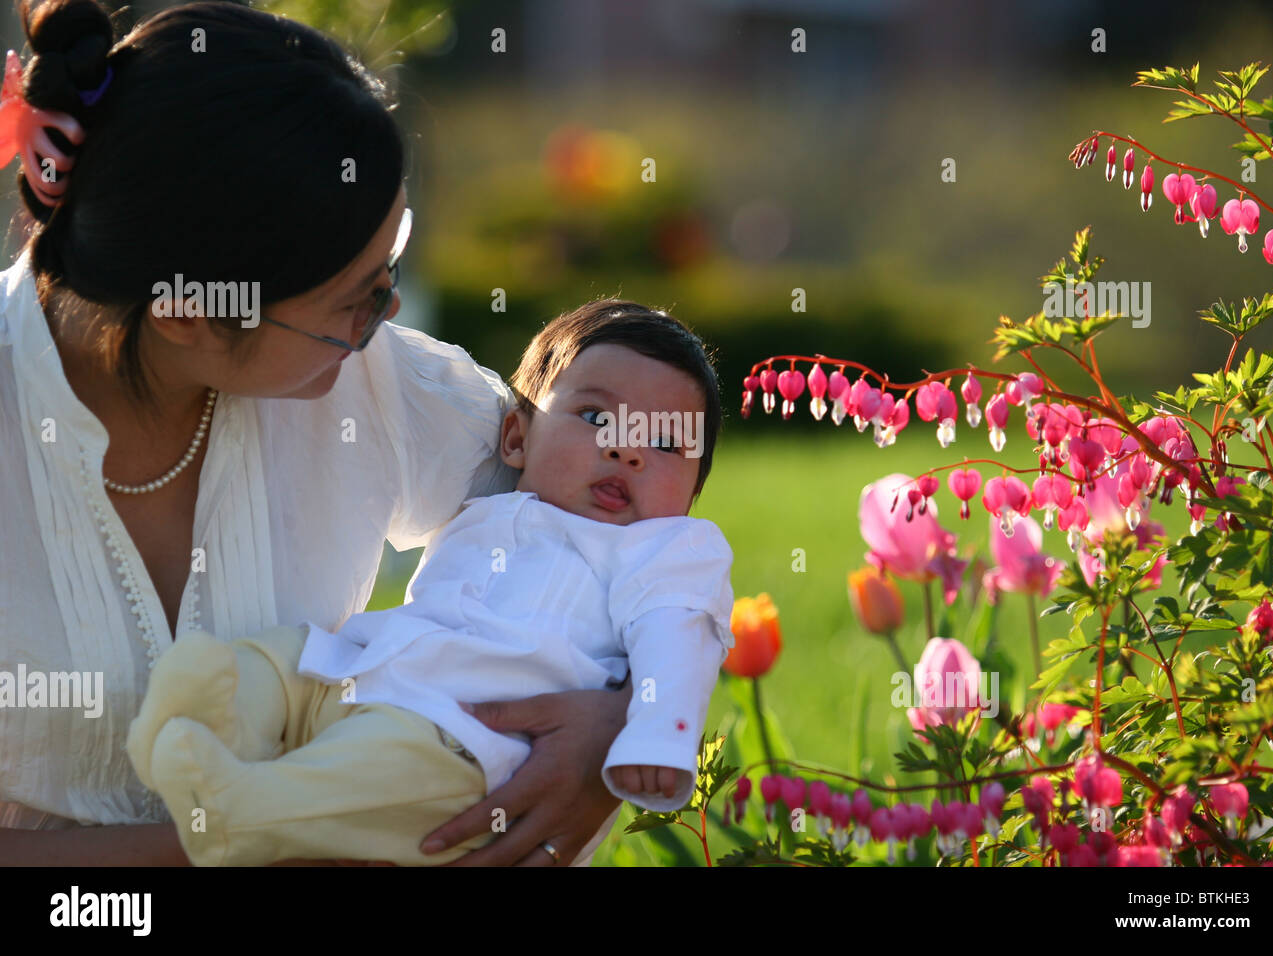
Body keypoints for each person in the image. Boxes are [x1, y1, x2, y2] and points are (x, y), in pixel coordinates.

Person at [0, 0, 645, 867]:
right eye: (356, 300)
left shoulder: (374, 384)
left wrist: (615, 720)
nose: (389, 315)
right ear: (190, 312)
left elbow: (623, 537)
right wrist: (230, 848)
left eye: (391, 268)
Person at [125, 300, 733, 866]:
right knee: (287, 661)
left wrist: (653, 737)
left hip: (470, 746)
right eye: (597, 416)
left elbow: (680, 643)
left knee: (373, 776)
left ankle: (242, 814)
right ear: (518, 436)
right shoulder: (492, 497)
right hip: (368, 671)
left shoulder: (666, 551)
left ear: (692, 495)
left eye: (663, 442)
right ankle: (212, 707)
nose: (627, 450)